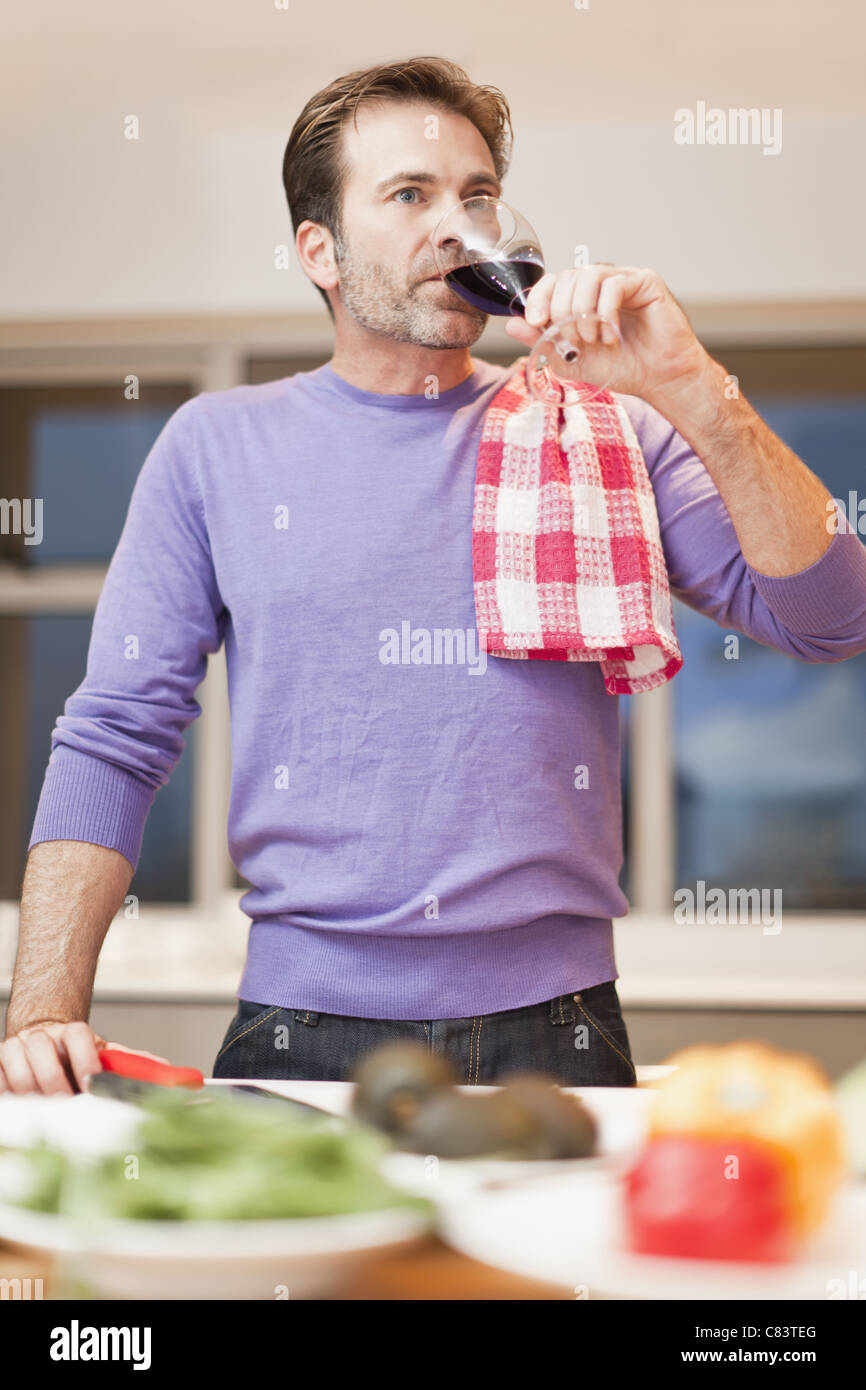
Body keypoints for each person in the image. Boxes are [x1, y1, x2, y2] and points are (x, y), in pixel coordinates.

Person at [5, 57, 866, 1095]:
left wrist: (694, 389)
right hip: (300, 1031)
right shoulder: (213, 448)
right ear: (317, 250)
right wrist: (45, 1006)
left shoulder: (603, 429)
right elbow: (115, 732)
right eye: (409, 195)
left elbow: (832, 617)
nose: (456, 225)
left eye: (476, 194)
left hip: (559, 1034)